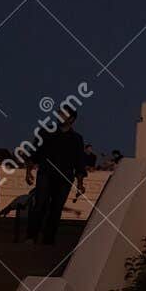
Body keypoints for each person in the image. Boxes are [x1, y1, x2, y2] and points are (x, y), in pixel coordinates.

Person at [26, 105, 90, 246]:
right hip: (45, 174)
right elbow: (34, 153)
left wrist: (80, 183)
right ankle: (31, 237)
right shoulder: (45, 132)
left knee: (56, 209)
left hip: (65, 177)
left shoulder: (76, 138)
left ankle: (48, 240)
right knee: (40, 204)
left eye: (64, 113)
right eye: (59, 112)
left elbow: (79, 161)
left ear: (72, 119)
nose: (60, 115)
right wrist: (28, 172)